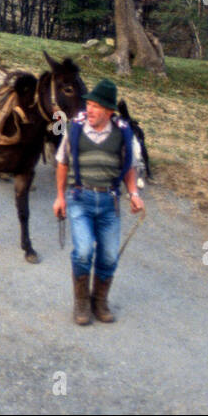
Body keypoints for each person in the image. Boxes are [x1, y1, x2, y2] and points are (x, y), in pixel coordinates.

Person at [52, 78, 145, 325]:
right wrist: (60, 197)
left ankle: (99, 301)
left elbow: (129, 168)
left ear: (109, 111)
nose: (89, 110)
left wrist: (134, 193)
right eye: (89, 104)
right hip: (79, 198)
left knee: (109, 257)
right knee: (83, 252)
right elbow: (62, 162)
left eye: (96, 106)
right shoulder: (75, 128)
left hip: (109, 203)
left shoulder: (124, 133)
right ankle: (81, 303)